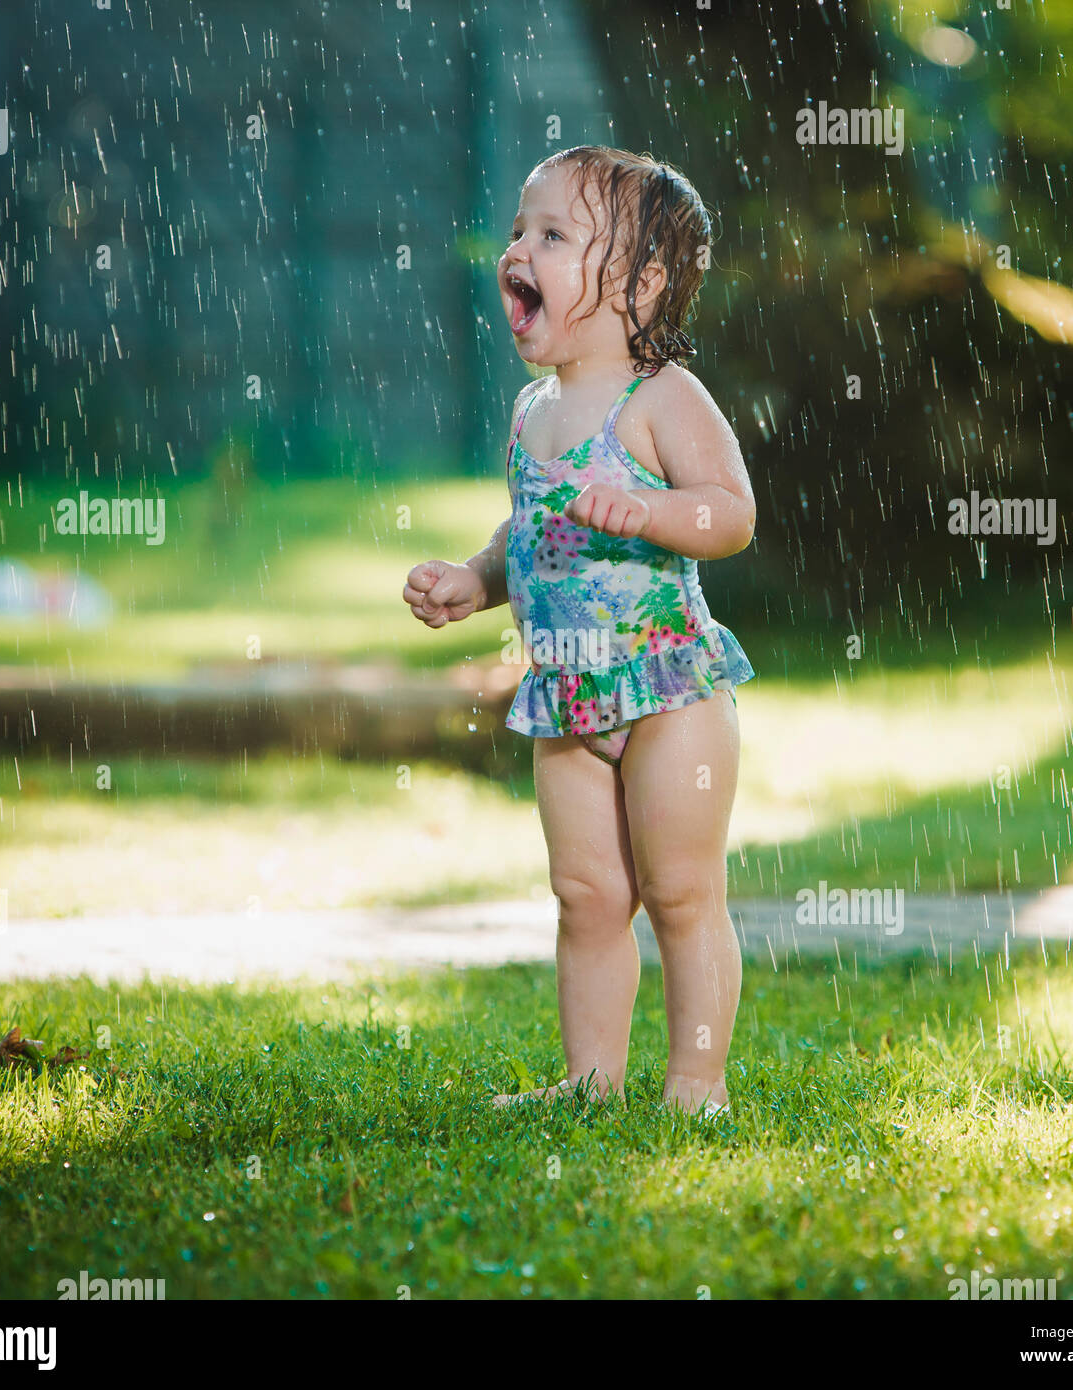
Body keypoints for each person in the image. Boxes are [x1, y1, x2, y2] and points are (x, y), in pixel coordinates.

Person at [403, 146, 756, 1115]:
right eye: (519, 229)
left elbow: (730, 513)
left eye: (552, 234)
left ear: (640, 286)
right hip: (564, 692)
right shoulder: (532, 412)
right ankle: (589, 1082)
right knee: (588, 897)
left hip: (668, 691)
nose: (519, 248)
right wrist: (474, 582)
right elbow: (532, 527)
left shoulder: (664, 399)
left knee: (681, 894)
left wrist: (648, 514)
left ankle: (696, 1084)